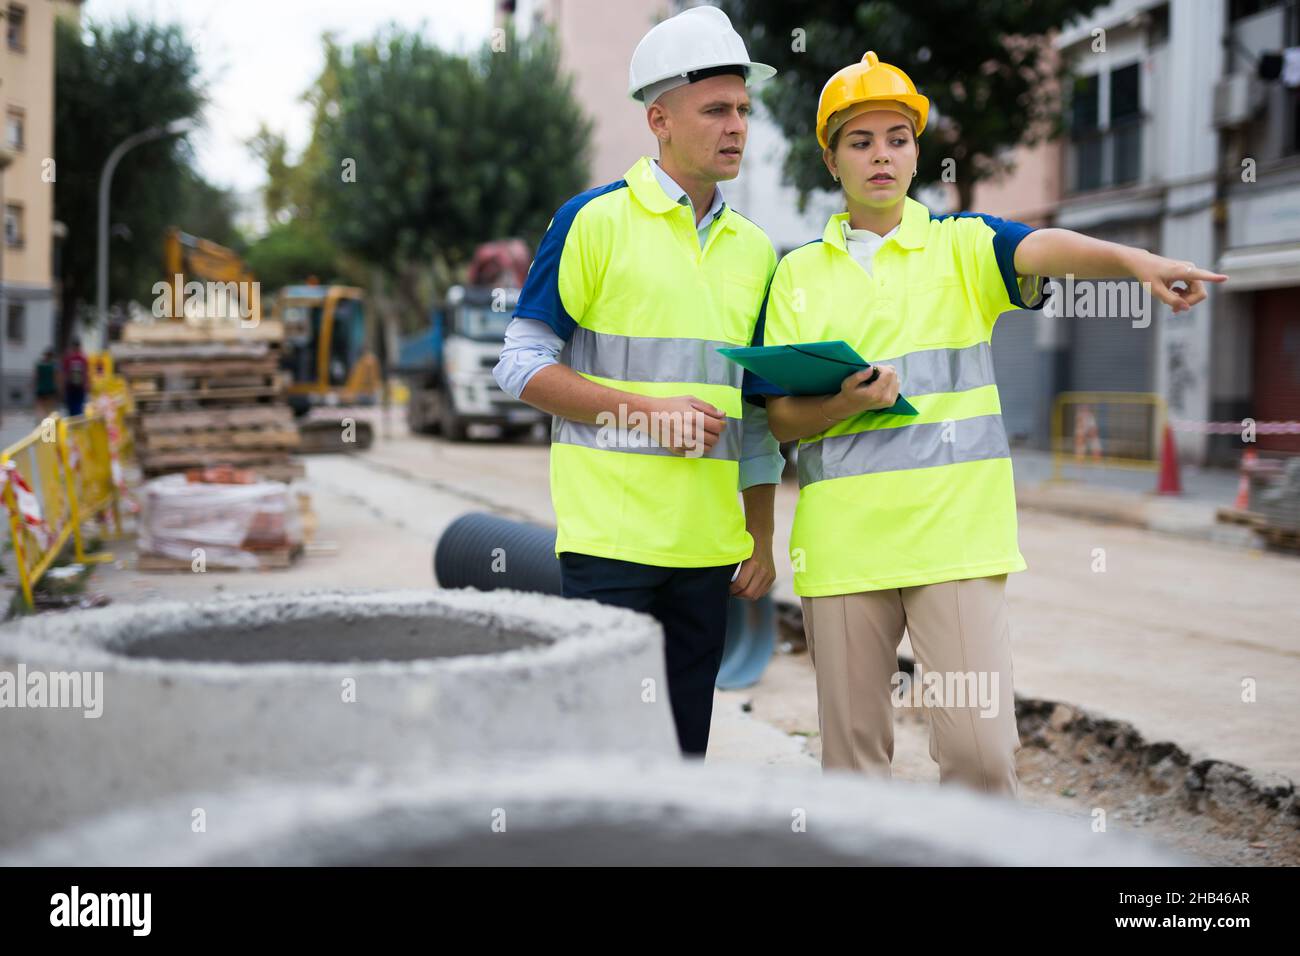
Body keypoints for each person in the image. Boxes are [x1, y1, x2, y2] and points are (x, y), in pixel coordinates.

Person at [746, 52, 1227, 796]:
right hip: (842, 553)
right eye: (861, 140)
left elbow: (1043, 247)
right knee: (852, 772)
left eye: (897, 138)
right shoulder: (797, 274)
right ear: (831, 158)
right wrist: (847, 402)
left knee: (979, 757)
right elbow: (779, 417)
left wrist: (1134, 260)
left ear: (915, 152)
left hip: (956, 543)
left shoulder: (962, 246)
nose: (882, 155)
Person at [494, 6, 783, 757]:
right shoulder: (592, 222)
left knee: (683, 757)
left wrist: (760, 533)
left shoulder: (756, 253)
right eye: (716, 109)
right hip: (610, 547)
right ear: (659, 118)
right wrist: (647, 413)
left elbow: (751, 408)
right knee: (607, 755)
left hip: (709, 554)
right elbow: (520, 365)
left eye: (744, 111)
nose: (737, 127)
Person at [62, 338, 89, 417]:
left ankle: (73, 425)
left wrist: (63, 388)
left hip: (70, 387)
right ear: (79, 347)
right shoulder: (83, 358)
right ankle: (78, 425)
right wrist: (86, 385)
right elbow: (86, 373)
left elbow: (64, 374)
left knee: (71, 409)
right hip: (80, 387)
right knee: (79, 407)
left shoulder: (68, 358)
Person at [34, 348, 58, 421]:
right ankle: (48, 423)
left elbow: (36, 377)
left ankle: (40, 421)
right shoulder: (53, 366)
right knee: (50, 408)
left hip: (41, 390)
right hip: (50, 389)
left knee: (40, 408)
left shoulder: (39, 365)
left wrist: (34, 386)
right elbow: (56, 378)